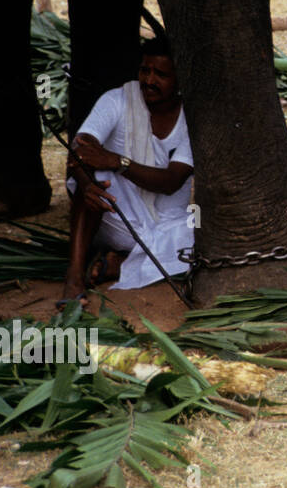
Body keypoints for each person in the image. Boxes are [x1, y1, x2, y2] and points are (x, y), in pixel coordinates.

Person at [61, 36, 194, 303]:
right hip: (115, 214)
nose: (149, 81)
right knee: (95, 178)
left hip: (171, 225)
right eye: (145, 70)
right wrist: (87, 187)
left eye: (161, 74)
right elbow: (81, 149)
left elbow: (172, 180)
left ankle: (117, 264)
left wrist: (118, 162)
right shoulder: (117, 100)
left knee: (202, 239)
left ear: (180, 80)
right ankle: (74, 277)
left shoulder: (191, 117)